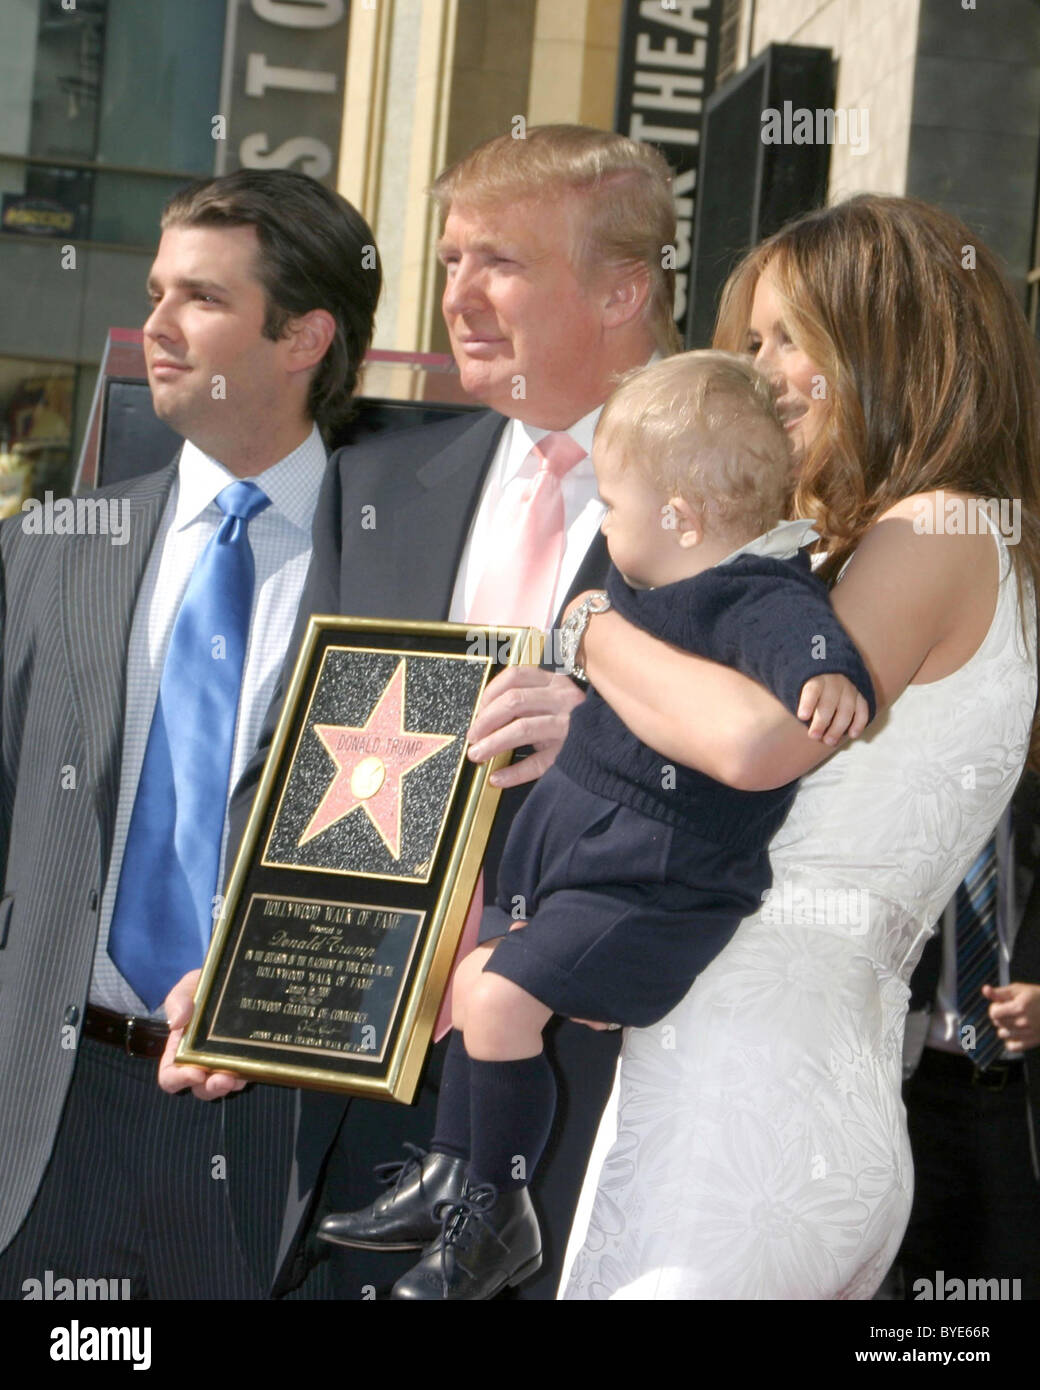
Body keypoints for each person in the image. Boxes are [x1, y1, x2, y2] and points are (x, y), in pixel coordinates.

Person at [160, 123, 681, 1300]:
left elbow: (790, 769)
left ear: (620, 288)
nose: (458, 295)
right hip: (361, 1088)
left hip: (595, 1083)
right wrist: (243, 957)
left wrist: (599, 727)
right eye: (447, 261)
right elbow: (308, 754)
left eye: (497, 261)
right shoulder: (380, 477)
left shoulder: (742, 492)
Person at [316, 349, 877, 1299]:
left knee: (494, 1002)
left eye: (613, 506)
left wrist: (828, 678)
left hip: (652, 886)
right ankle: (458, 1171)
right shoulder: (646, 588)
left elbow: (810, 646)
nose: (603, 525)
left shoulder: (757, 590)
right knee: (476, 980)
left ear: (683, 517)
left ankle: (498, 1213)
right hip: (585, 865)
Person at [558, 194, 1040, 1299]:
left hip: (756, 1113)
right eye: (748, 340)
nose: (757, 371)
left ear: (890, 343)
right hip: (729, 1087)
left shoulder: (941, 528)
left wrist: (588, 630)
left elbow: (758, 743)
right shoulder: (885, 543)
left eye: (787, 338)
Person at [0, 169, 381, 1300]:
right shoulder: (50, 546)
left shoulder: (401, 565)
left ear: (304, 334)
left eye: (200, 299)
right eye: (155, 291)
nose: (154, 326)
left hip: (278, 1141)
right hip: (50, 1125)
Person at [895, 771, 1040, 1300]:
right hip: (912, 1094)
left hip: (1020, 1104)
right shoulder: (907, 800)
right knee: (919, 1286)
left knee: (1013, 1279)